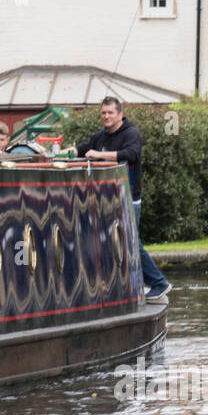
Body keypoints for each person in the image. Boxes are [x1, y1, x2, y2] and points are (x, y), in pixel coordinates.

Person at [65, 96, 171, 301]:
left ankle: (159, 282)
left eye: (110, 113)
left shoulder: (131, 134)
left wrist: (99, 155)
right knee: (114, 243)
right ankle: (129, 286)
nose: (106, 116)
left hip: (128, 197)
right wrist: (63, 152)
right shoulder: (100, 137)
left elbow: (130, 154)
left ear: (120, 114)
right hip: (106, 200)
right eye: (103, 113)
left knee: (130, 242)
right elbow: (84, 148)